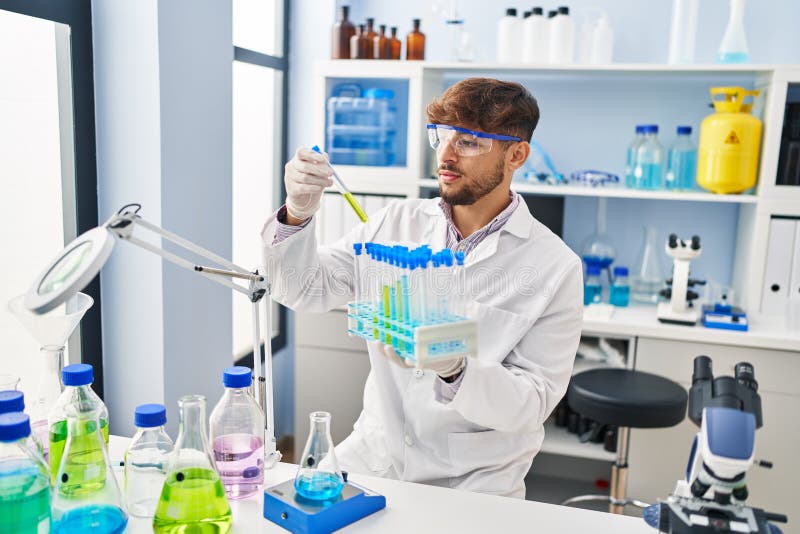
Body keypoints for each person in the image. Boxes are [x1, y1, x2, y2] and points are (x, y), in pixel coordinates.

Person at [262, 77, 583, 498]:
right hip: (373, 456)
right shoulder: (395, 223)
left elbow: (532, 404)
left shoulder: (555, 266)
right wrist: (297, 215)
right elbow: (304, 289)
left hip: (473, 479)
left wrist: (458, 370)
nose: (446, 155)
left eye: (468, 141)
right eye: (442, 136)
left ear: (516, 154)